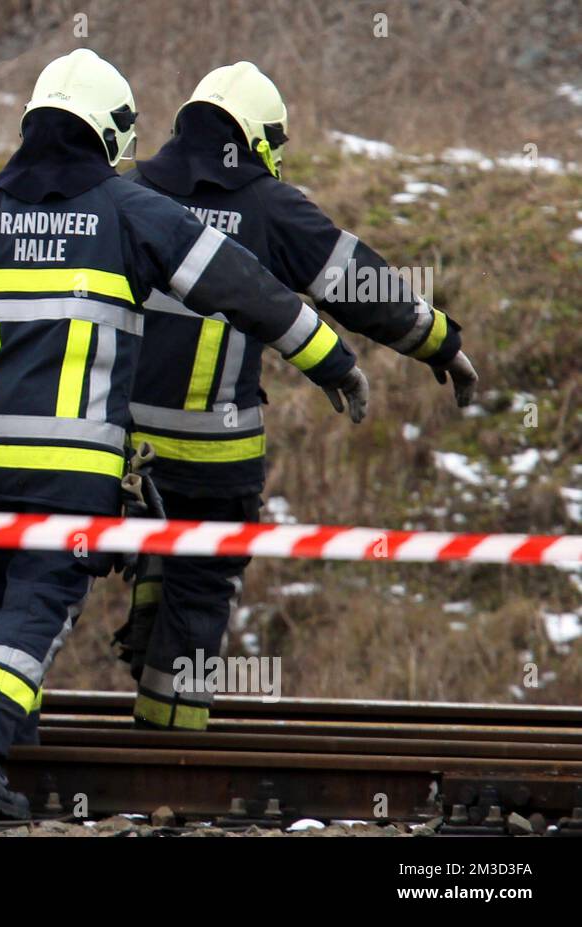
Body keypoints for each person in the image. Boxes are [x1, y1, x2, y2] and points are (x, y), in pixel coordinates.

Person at [0, 49, 369, 820]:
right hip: (71, 466)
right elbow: (240, 285)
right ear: (109, 131)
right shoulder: (129, 211)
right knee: (44, 599)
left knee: (3, 595)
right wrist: (328, 356)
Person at [114, 61, 478, 732]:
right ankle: (171, 745)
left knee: (160, 546)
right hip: (213, 452)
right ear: (257, 138)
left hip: (122, 448)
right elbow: (361, 285)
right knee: (205, 582)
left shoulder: (129, 193)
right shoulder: (268, 205)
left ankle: (150, 586)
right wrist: (440, 342)